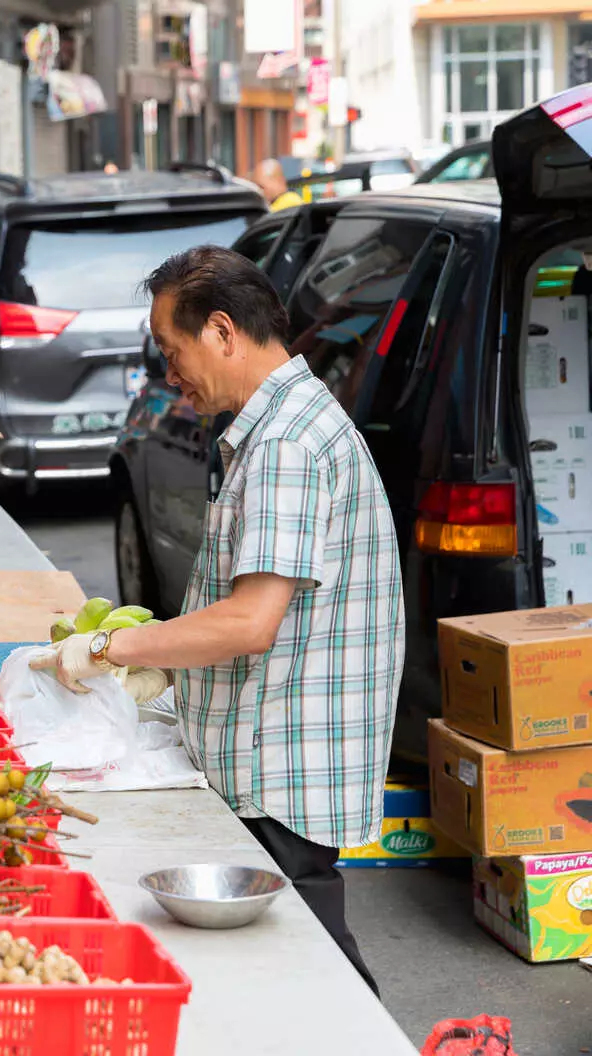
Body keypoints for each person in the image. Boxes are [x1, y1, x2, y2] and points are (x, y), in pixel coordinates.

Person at [35, 246, 403, 995]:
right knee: (301, 965)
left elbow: (249, 622)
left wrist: (109, 648)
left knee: (313, 971)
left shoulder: (286, 446)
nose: (170, 374)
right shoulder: (276, 427)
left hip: (283, 767)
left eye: (173, 351)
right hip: (275, 751)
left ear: (224, 333)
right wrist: (167, 664)